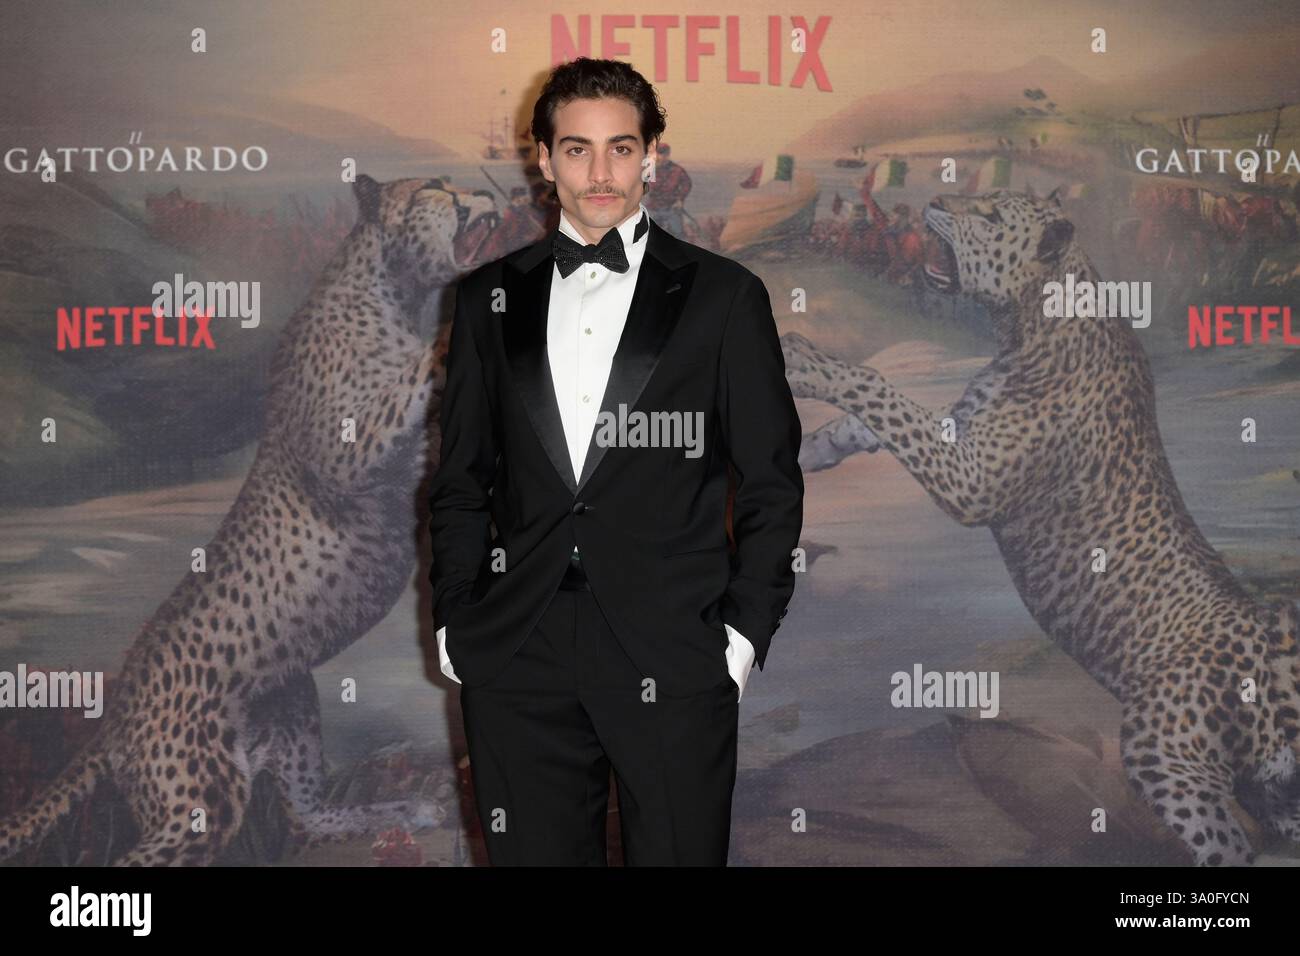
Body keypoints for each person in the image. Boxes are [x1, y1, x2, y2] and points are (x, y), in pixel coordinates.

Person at [429, 56, 804, 865]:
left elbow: (771, 481)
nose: (600, 173)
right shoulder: (485, 300)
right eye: (576, 149)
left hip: (673, 646)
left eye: (621, 149)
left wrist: (738, 639)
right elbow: (460, 481)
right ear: (543, 158)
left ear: (653, 156)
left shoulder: (725, 296)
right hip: (517, 647)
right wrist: (457, 619)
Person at [642, 141, 692, 238]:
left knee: (678, 234)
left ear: (668, 155)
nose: (660, 157)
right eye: (658, 154)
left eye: (663, 154)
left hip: (672, 207)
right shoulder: (649, 169)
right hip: (653, 207)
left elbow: (687, 184)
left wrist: (680, 199)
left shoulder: (677, 170)